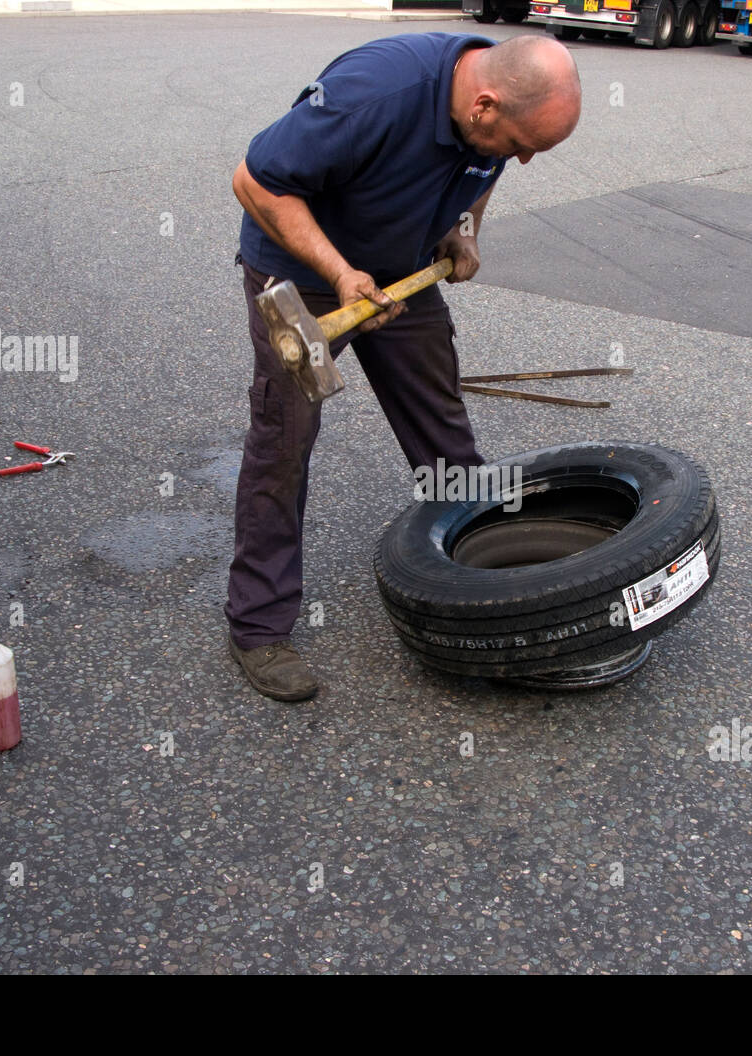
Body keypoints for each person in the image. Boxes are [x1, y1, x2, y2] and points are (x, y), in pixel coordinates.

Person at [226, 32, 582, 702]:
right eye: (520, 141)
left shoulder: (493, 122)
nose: (525, 158)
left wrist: (464, 231)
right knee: (284, 443)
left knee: (443, 431)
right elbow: (253, 180)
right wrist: (339, 272)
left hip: (402, 273)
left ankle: (479, 587)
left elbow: (484, 172)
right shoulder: (374, 95)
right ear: (482, 106)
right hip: (305, 278)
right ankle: (257, 625)